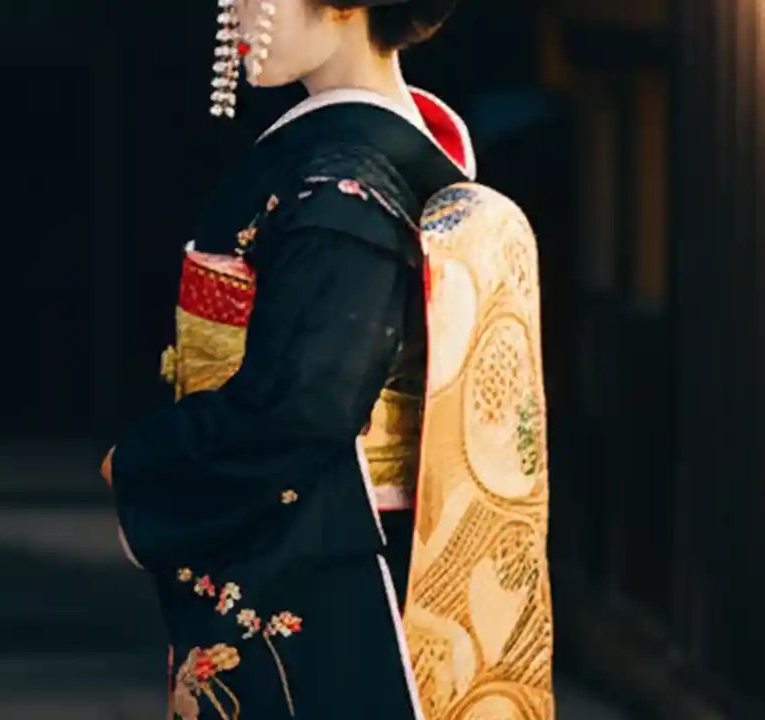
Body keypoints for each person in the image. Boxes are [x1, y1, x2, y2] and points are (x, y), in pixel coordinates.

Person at [101, 1, 554, 717]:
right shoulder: (385, 149)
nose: (235, 14)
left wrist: (148, 463)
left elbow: (304, 404)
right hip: (332, 534)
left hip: (323, 552)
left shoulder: (344, 186)